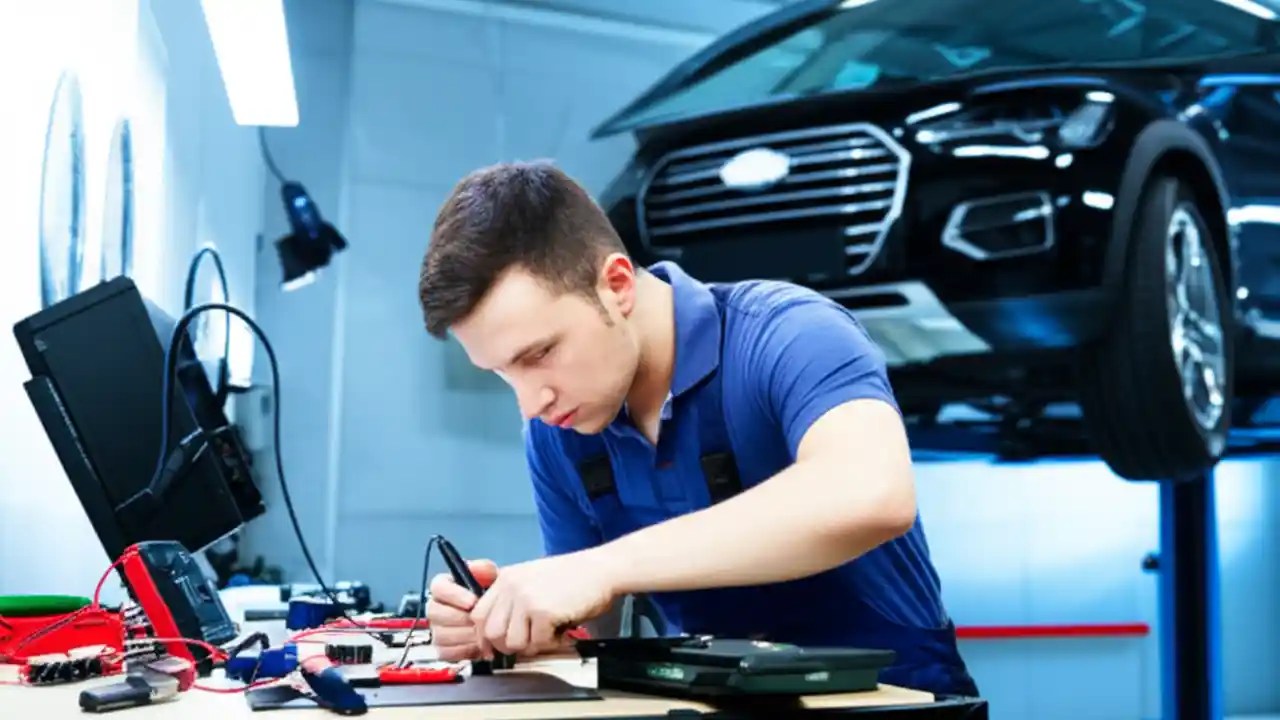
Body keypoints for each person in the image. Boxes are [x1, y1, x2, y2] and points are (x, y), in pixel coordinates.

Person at [416, 160, 978, 697]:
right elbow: (593, 635)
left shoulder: (789, 333)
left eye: (539, 353)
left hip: (893, 699)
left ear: (616, 284)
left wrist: (601, 567)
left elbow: (870, 496)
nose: (530, 403)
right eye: (501, 373)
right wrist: (510, 624)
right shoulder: (557, 432)